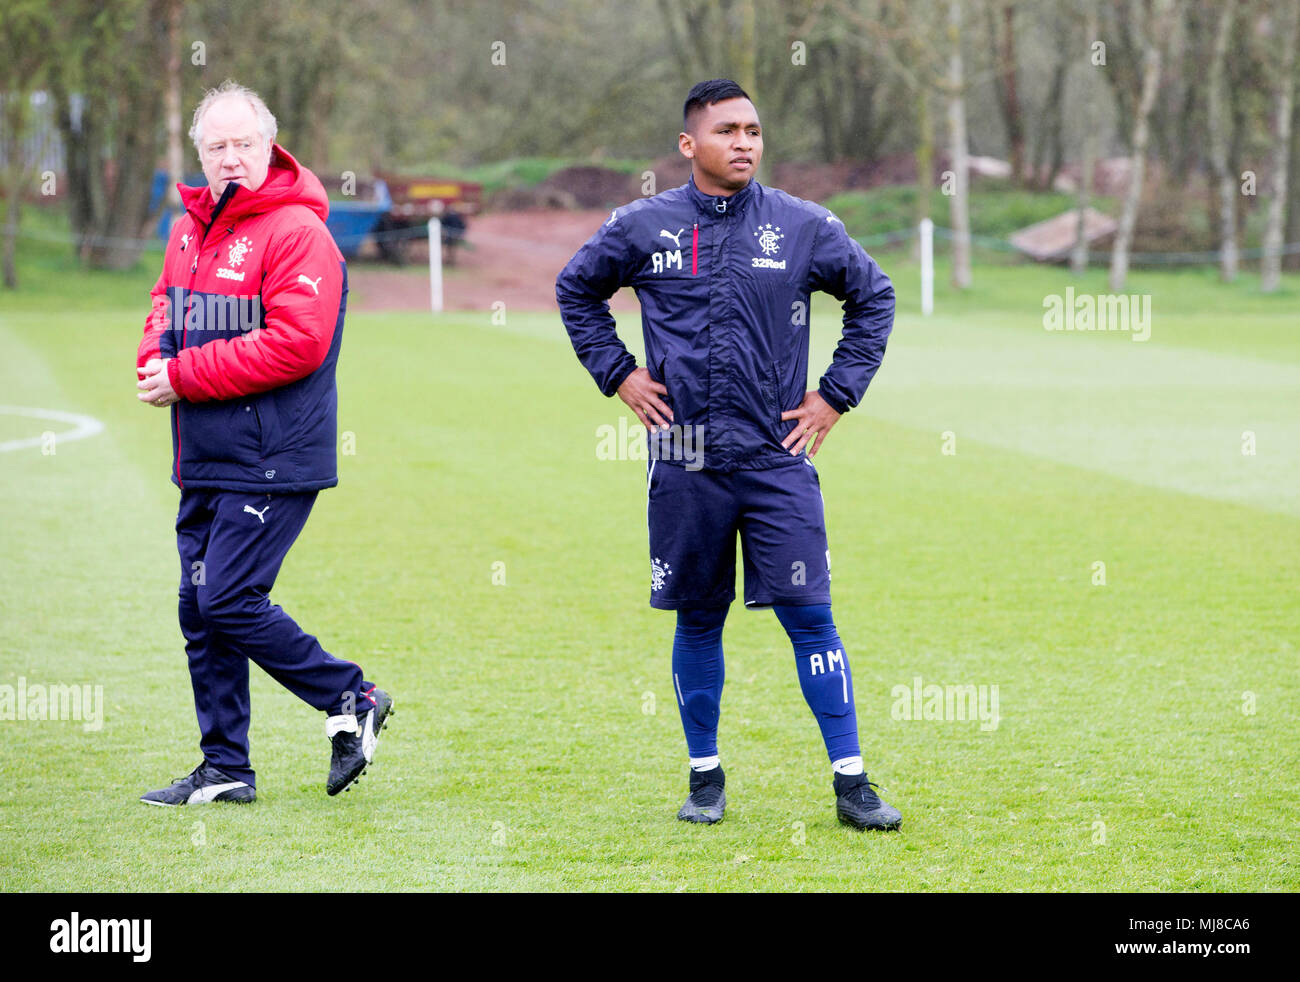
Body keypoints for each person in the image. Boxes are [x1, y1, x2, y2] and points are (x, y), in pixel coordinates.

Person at [556, 79, 899, 830]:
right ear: (689, 145)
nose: (744, 142)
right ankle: (705, 778)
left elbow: (875, 297)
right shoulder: (644, 226)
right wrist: (619, 374)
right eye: (726, 131)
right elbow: (576, 290)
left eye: (752, 129)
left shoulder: (804, 226)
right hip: (685, 459)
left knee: (813, 618)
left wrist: (835, 395)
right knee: (699, 620)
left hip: (778, 459)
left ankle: (853, 783)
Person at [135, 80, 392, 806]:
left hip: (273, 456)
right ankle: (225, 769)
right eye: (215, 146)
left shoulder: (296, 231)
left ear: (268, 145)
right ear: (200, 154)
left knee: (229, 597)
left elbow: (297, 344)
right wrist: (157, 355)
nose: (230, 157)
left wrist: (183, 375)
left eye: (243, 143)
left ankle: (352, 695)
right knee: (200, 604)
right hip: (206, 456)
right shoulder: (188, 228)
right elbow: (165, 303)